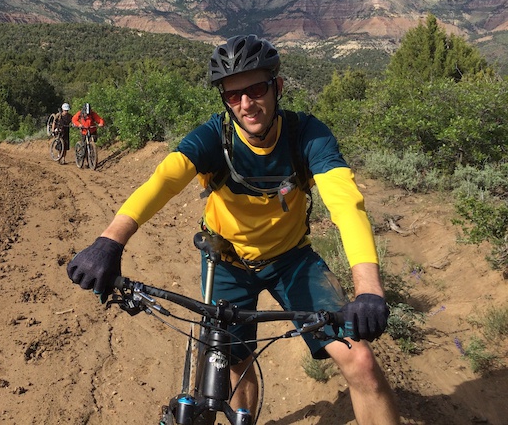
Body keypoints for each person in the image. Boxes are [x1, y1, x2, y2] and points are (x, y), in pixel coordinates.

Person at [67, 35, 399, 425]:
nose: (246, 103)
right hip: (226, 261)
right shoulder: (215, 137)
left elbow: (346, 203)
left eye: (256, 88)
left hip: (293, 260)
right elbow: (163, 181)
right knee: (235, 364)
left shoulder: (307, 135)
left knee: (360, 361)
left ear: (277, 87)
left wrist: (369, 290)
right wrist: (110, 241)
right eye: (233, 95)